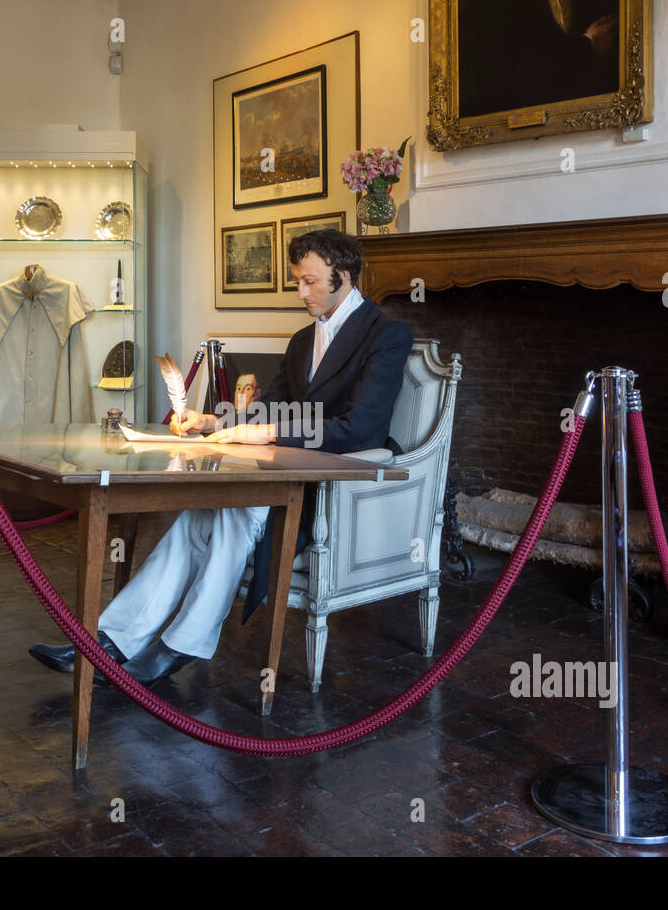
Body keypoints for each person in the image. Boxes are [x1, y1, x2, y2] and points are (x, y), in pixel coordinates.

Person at [30, 229, 413, 685]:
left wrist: (267, 433)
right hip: (284, 474)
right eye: (297, 281)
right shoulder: (301, 341)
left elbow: (362, 427)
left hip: (332, 486)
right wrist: (214, 422)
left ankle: (174, 644)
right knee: (198, 513)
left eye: (309, 281)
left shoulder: (387, 334)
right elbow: (271, 403)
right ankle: (109, 642)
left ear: (343, 276)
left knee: (234, 509)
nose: (301, 292)